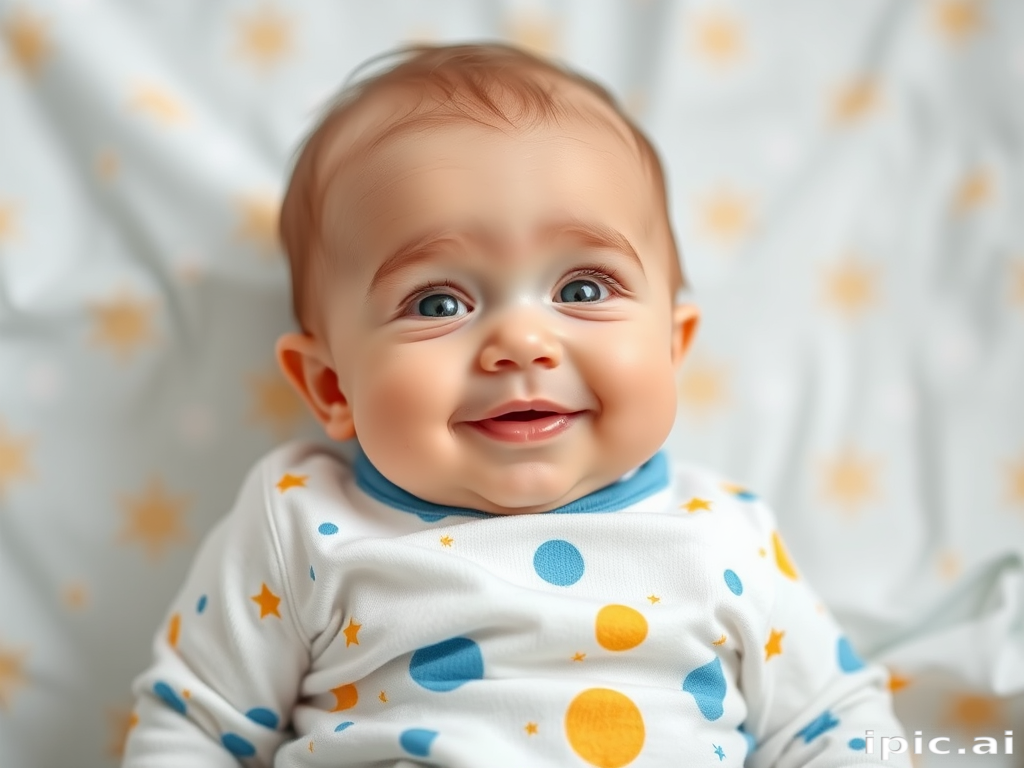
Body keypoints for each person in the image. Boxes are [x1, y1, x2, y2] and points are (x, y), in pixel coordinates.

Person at [123, 42, 909, 767]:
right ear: (333, 388)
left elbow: (831, 721)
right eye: (437, 303)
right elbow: (194, 727)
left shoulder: (724, 535)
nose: (523, 343)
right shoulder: (302, 520)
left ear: (672, 348)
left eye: (583, 289)